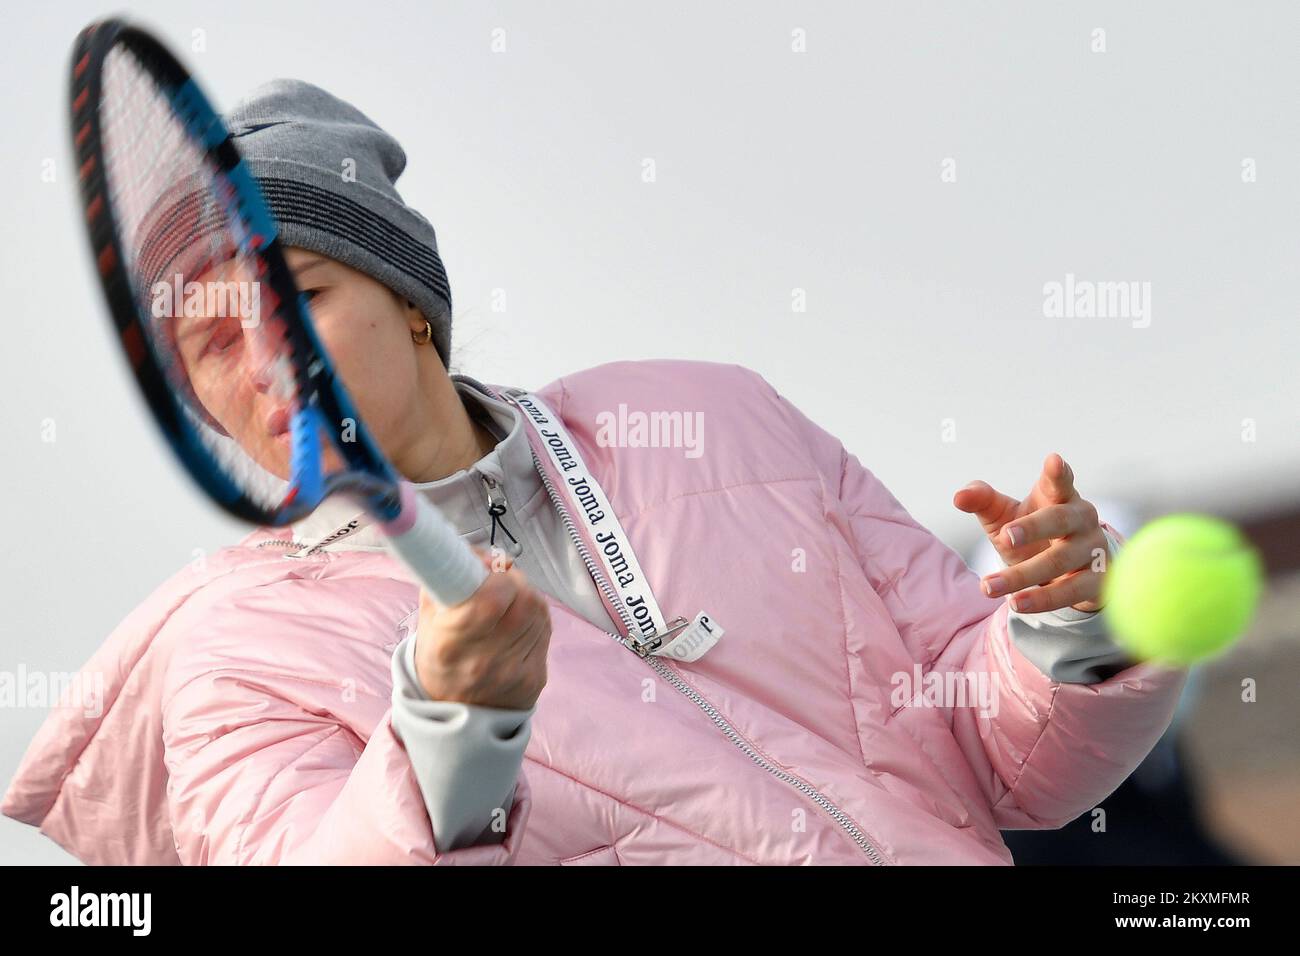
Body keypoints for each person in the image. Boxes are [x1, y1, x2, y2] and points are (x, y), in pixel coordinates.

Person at [2, 80, 1187, 865]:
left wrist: (1067, 627)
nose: (267, 359)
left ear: (410, 305)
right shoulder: (234, 660)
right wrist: (448, 734)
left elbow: (994, 757)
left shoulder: (713, 413)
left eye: (298, 299)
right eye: (214, 342)